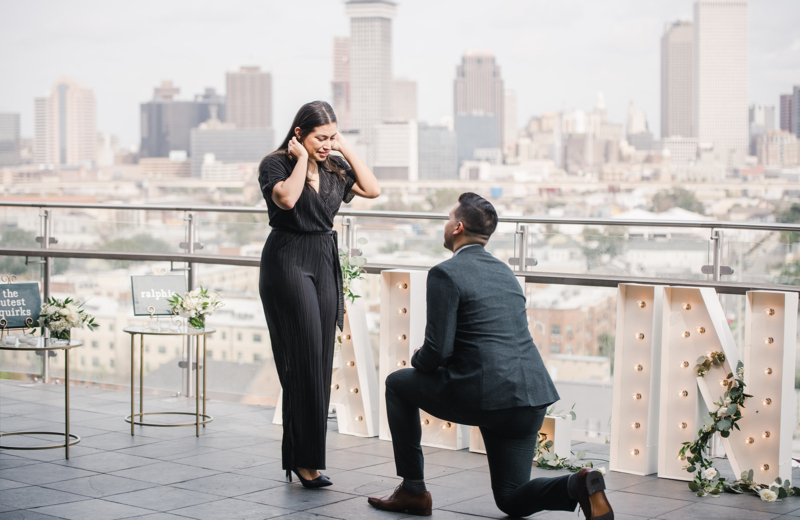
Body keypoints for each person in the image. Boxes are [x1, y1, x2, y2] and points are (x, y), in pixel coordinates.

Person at [368, 192, 613, 519]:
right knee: (511, 499)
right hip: (531, 397)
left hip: (485, 395)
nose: (445, 225)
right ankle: (577, 484)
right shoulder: (504, 272)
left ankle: (413, 490)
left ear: (457, 227)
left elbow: (437, 350)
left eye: (446, 219)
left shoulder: (445, 273)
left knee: (397, 383)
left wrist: (418, 360)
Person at [258, 101, 380, 488]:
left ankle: (303, 457)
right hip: (288, 260)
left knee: (320, 358)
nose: (326, 144)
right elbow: (287, 200)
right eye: (320, 138)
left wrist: (343, 148)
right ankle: (303, 461)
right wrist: (299, 161)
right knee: (303, 360)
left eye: (332, 136)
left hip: (324, 259)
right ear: (299, 134)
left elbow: (372, 189)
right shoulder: (275, 163)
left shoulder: (334, 167)